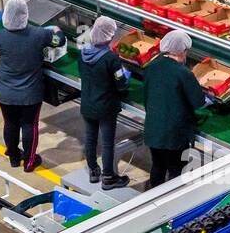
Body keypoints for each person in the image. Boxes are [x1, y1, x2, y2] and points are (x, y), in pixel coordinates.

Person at [0, 0, 62, 172]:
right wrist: (57, 29)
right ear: (25, 14)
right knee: (30, 125)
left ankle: (14, 157)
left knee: (10, 123)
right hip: (30, 94)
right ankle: (29, 162)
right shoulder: (39, 34)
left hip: (5, 92)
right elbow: (60, 41)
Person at [143, 29, 208, 188]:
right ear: (183, 51)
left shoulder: (151, 67)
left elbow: (146, 97)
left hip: (153, 129)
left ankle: (154, 198)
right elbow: (198, 103)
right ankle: (172, 202)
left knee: (157, 166)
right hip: (175, 135)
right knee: (176, 171)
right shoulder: (183, 73)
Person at [80, 15, 131, 188]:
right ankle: (108, 177)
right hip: (106, 107)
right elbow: (120, 84)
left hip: (88, 104)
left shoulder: (84, 52)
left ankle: (93, 170)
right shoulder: (111, 58)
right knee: (108, 142)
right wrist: (126, 78)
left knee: (90, 138)